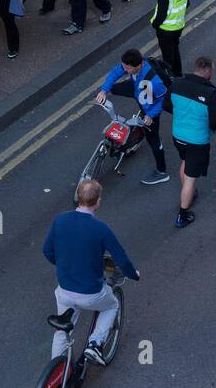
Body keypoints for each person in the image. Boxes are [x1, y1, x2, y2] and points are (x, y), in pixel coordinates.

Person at [41, 179, 140, 366]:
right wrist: (133, 274)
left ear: (78, 197)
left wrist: (64, 265)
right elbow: (122, 260)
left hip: (64, 291)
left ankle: (56, 371)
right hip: (91, 293)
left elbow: (47, 251)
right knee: (111, 306)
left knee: (62, 331)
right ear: (98, 201)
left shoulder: (60, 220)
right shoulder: (101, 229)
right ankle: (94, 344)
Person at [96, 48, 169, 185]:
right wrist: (104, 90)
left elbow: (163, 100)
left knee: (154, 140)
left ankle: (162, 171)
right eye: (124, 66)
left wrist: (151, 115)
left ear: (140, 65)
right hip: (137, 91)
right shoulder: (130, 66)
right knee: (113, 88)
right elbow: (116, 71)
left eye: (128, 69)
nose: (125, 70)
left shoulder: (155, 81)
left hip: (150, 108)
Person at [169, 57, 216, 228]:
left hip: (178, 136)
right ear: (206, 71)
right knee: (191, 178)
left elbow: (167, 105)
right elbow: (215, 122)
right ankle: (182, 215)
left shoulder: (176, 83)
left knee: (185, 162)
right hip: (197, 140)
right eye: (212, 70)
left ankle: (189, 193)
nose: (212, 73)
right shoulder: (211, 92)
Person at [151, 0, 189, 78]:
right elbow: (187, 3)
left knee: (167, 58)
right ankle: (178, 74)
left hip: (165, 30)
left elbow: (161, 15)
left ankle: (170, 81)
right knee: (175, 50)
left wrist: (155, 24)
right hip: (179, 26)